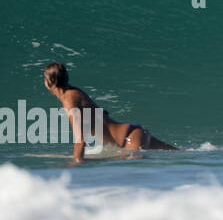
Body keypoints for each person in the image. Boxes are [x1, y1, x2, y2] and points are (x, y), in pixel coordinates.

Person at [42, 62, 176, 161]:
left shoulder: (69, 100)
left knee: (133, 178)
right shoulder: (75, 92)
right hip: (133, 133)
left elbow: (80, 139)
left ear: (50, 81)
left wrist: (76, 161)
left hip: (130, 139)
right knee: (179, 154)